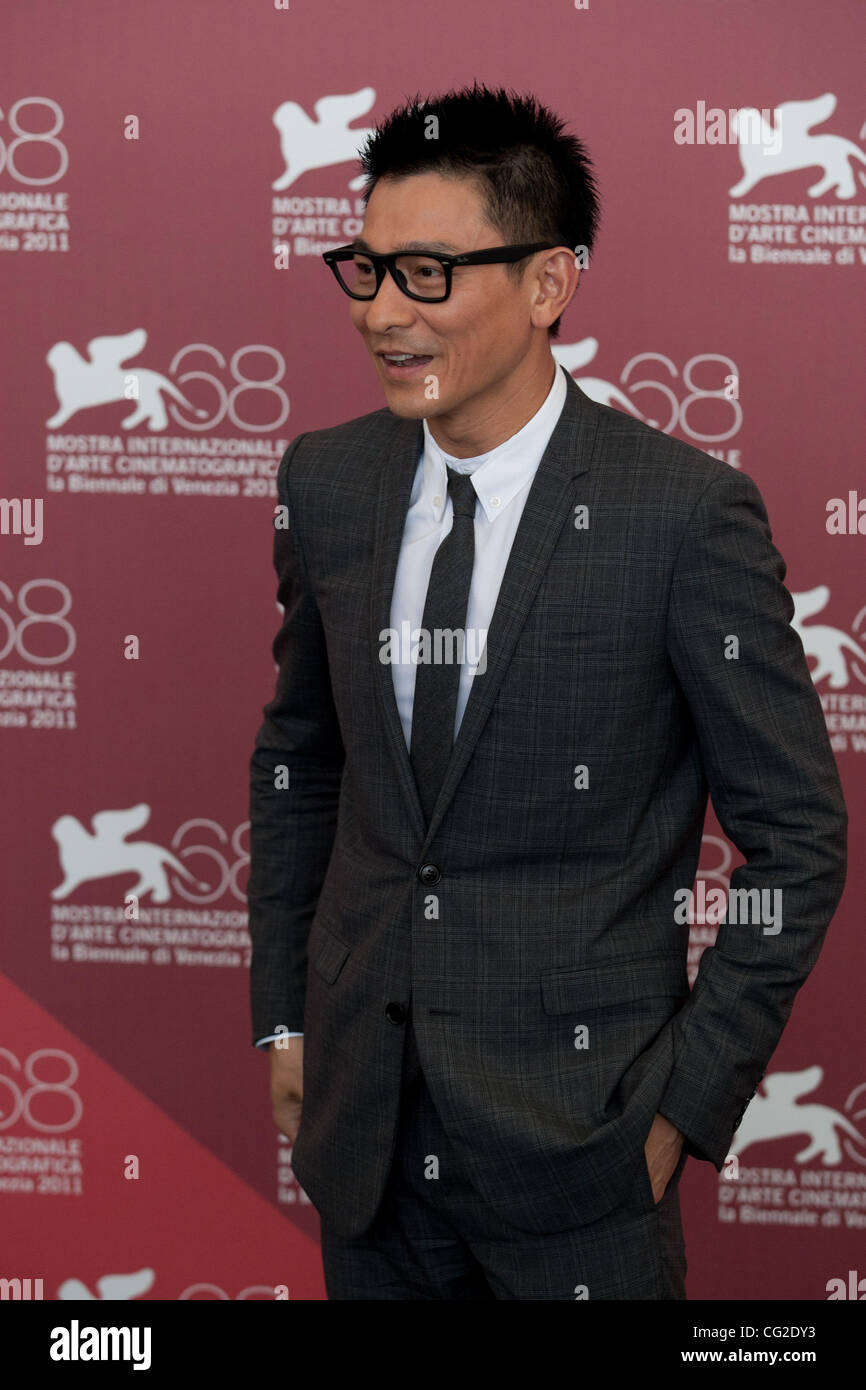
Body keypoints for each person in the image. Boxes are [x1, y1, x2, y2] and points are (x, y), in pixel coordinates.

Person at [247, 84, 847, 1300]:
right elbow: (303, 760)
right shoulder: (328, 482)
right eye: (365, 270)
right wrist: (284, 1016)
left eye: (427, 274)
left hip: (581, 1156)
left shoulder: (678, 517)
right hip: (365, 1139)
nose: (381, 314)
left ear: (547, 284)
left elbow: (795, 839)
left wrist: (684, 1100)